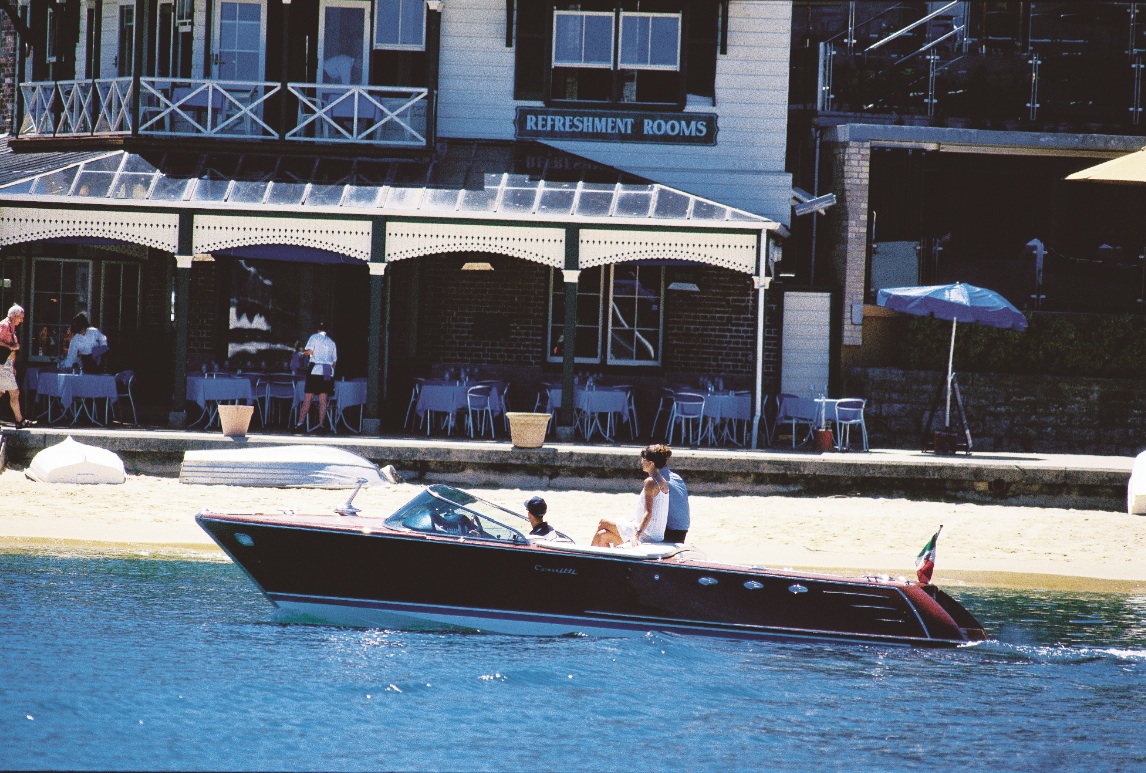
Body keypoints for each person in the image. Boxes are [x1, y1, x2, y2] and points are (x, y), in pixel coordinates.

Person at [591, 444, 670, 547]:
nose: (641, 462)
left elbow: (648, 513)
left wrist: (636, 535)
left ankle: (586, 555)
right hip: (655, 534)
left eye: (643, 459)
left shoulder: (650, 482)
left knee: (603, 522)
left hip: (647, 534)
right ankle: (602, 557)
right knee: (602, 536)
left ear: (651, 463)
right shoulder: (662, 481)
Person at [294, 322, 337, 433]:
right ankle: (321, 425)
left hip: (315, 370)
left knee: (308, 397)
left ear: (318, 329)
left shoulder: (314, 337)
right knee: (323, 400)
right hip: (327, 371)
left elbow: (310, 351)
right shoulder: (331, 342)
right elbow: (334, 362)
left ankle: (300, 424)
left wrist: (303, 354)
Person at [0, 304, 34, 428]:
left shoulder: (11, 326)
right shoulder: (4, 325)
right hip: (2, 365)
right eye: (21, 317)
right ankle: (19, 420)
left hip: (6, 364)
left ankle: (20, 420)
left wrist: (12, 366)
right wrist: (10, 346)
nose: (22, 320)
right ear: (14, 315)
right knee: (15, 392)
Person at [661, 449, 691, 543]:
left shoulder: (657, 480)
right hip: (683, 527)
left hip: (671, 530)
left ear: (651, 463)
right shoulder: (676, 477)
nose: (641, 462)